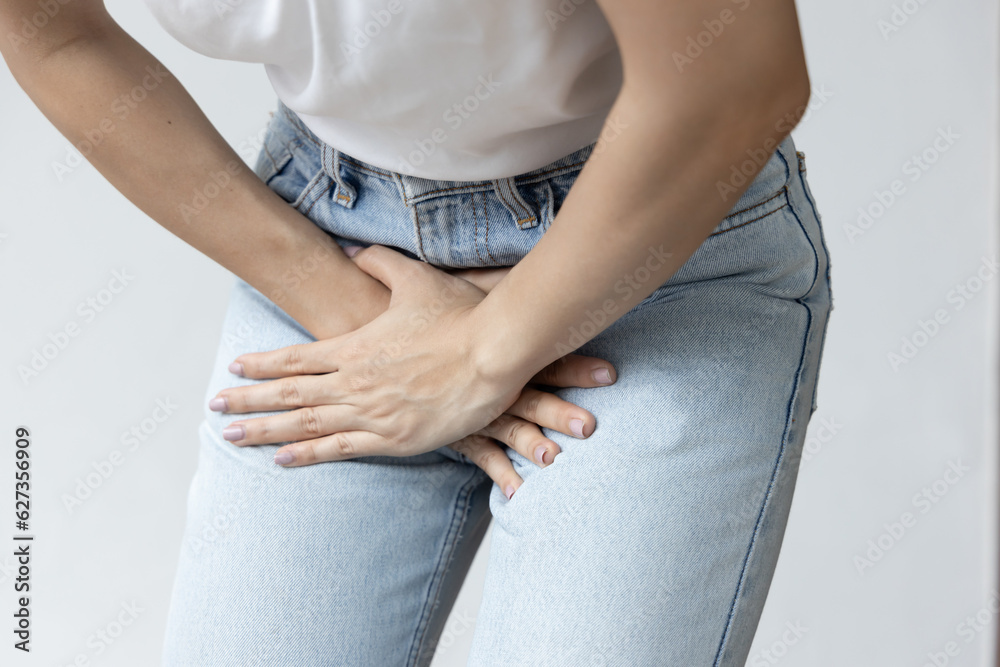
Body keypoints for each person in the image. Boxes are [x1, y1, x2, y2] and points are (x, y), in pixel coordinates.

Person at [0, 0, 833, 663]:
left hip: (648, 247)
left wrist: (478, 356)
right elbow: (50, 30)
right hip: (331, 236)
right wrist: (357, 312)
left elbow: (737, 76)